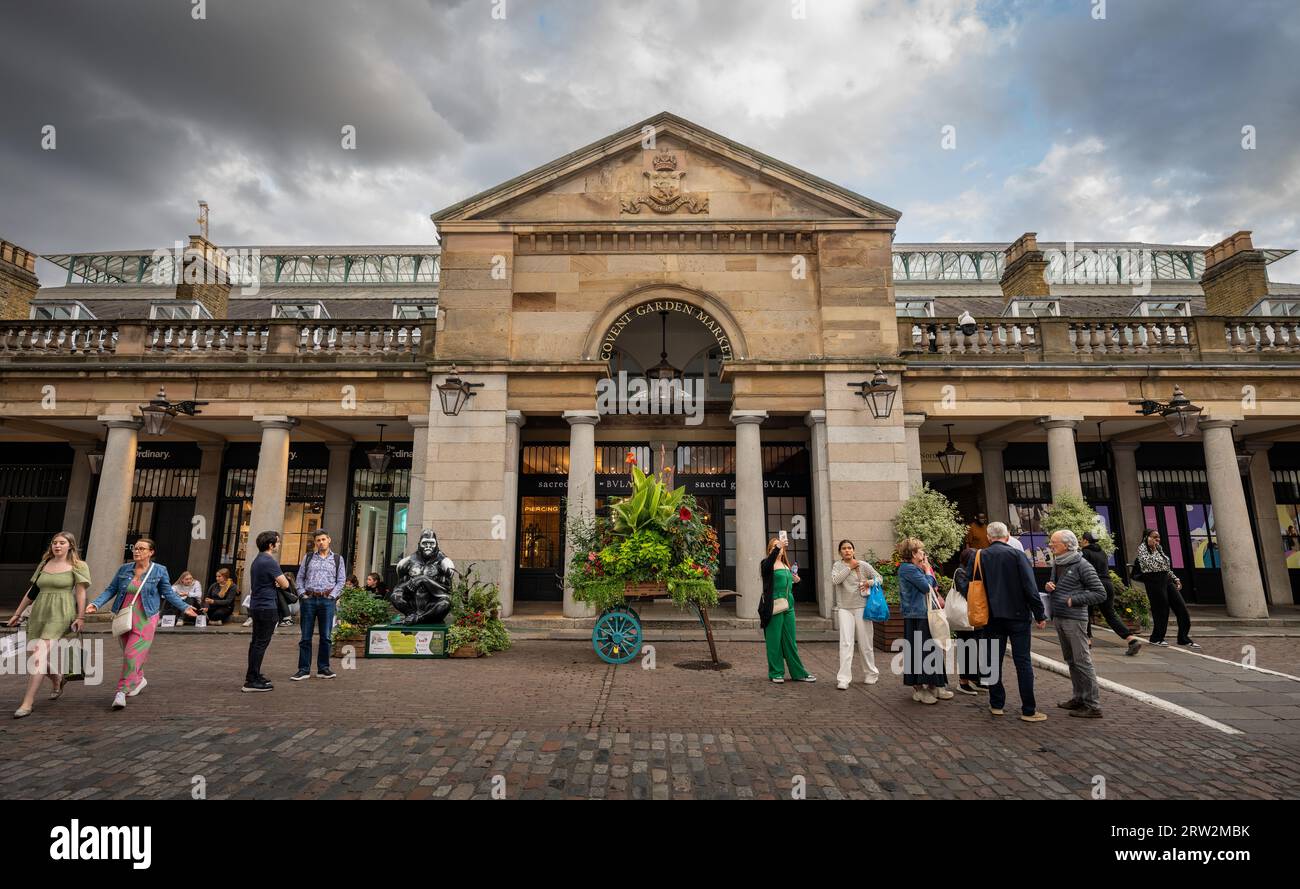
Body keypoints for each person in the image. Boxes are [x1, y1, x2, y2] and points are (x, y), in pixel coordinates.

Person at [85, 538, 196, 710]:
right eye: (136, 548)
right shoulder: (124, 569)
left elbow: (168, 592)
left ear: (151, 552)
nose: (137, 551)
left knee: (131, 654)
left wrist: (185, 607)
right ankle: (138, 678)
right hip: (124, 617)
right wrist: (96, 604)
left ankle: (121, 692)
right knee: (130, 653)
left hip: (146, 617)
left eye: (142, 549)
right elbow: (111, 589)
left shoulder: (159, 570)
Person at [6, 531, 89, 719]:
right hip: (39, 612)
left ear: (70, 546)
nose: (57, 546)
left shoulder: (78, 565)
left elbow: (81, 593)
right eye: (54, 543)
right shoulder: (45, 564)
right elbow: (33, 591)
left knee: (38, 655)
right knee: (34, 653)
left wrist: (81, 616)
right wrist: (17, 613)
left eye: (61, 543)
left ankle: (27, 703)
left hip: (61, 612)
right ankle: (57, 678)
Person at [980, 521, 1048, 722]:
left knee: (993, 661)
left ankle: (996, 704)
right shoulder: (1017, 555)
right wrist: (1039, 613)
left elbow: (971, 585)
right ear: (1007, 535)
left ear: (988, 537)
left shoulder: (980, 556)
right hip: (1018, 615)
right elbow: (1030, 586)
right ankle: (1028, 709)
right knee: (1023, 662)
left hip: (992, 616)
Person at [1045, 530, 1107, 718]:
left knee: (1082, 661)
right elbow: (1056, 584)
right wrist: (1049, 586)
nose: (1051, 545)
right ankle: (1079, 697)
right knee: (1071, 660)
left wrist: (1075, 599)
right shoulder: (1057, 563)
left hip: (1075, 618)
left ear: (1066, 544)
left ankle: (1093, 705)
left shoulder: (1082, 565)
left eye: (1054, 542)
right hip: (1059, 616)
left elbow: (1100, 593)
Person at [897, 537, 950, 704]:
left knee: (931, 649)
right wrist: (927, 571)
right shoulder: (908, 569)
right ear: (913, 553)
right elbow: (927, 587)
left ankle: (934, 685)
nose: (923, 553)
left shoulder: (913, 568)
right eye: (921, 551)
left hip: (922, 614)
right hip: (916, 616)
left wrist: (925, 569)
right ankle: (920, 689)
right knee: (921, 651)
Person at [292, 529, 346, 681]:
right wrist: (302, 595)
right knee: (305, 637)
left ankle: (323, 668)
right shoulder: (308, 557)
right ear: (315, 542)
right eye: (318, 540)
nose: (321, 542)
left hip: (327, 601)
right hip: (309, 599)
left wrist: (332, 596)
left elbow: (341, 580)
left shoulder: (337, 559)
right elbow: (300, 578)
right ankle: (303, 669)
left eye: (323, 539)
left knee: (326, 636)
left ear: (329, 540)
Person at [759, 536, 815, 684]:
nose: (776, 549)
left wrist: (796, 581)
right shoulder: (767, 564)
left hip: (788, 605)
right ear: (770, 550)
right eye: (773, 547)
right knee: (774, 641)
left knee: (790, 641)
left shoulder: (785, 566)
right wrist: (778, 546)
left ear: (784, 550)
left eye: (779, 547)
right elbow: (767, 567)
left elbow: (788, 586)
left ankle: (798, 673)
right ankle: (776, 672)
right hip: (774, 606)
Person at [828, 539, 881, 690]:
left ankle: (871, 673)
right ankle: (843, 678)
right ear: (840, 552)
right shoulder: (837, 566)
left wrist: (869, 583)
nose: (847, 551)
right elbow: (835, 580)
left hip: (862, 607)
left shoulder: (863, 565)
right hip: (844, 608)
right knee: (846, 643)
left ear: (854, 550)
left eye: (849, 548)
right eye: (844, 548)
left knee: (865, 642)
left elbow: (879, 578)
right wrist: (849, 568)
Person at [1081, 531, 1141, 656]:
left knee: (1085, 612)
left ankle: (1087, 641)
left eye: (1081, 539)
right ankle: (1131, 639)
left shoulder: (1085, 553)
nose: (1080, 541)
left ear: (1086, 541)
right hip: (1108, 584)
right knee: (1110, 614)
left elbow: (1083, 571)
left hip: (1093, 584)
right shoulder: (1102, 552)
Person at [1135, 528, 1198, 648]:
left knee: (1181, 608)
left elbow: (1166, 566)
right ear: (1147, 537)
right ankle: (1157, 638)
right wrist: (1151, 548)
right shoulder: (1142, 549)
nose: (1157, 540)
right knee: (1161, 609)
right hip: (1153, 580)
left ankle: (1183, 638)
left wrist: (1175, 578)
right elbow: (1150, 565)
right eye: (1154, 537)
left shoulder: (1159, 548)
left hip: (1166, 579)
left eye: (1158, 537)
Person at [245, 531, 290, 692]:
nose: (278, 545)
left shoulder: (257, 560)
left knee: (256, 642)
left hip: (256, 606)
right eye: (277, 542)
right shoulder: (269, 561)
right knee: (261, 644)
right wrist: (278, 581)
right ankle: (251, 680)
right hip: (266, 606)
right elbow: (285, 584)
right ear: (270, 545)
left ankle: (254, 675)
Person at [951, 547, 985, 695]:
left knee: (974, 648)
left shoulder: (972, 572)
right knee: (966, 648)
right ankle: (963, 682)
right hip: (964, 618)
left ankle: (975, 679)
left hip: (972, 616)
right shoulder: (961, 572)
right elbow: (966, 591)